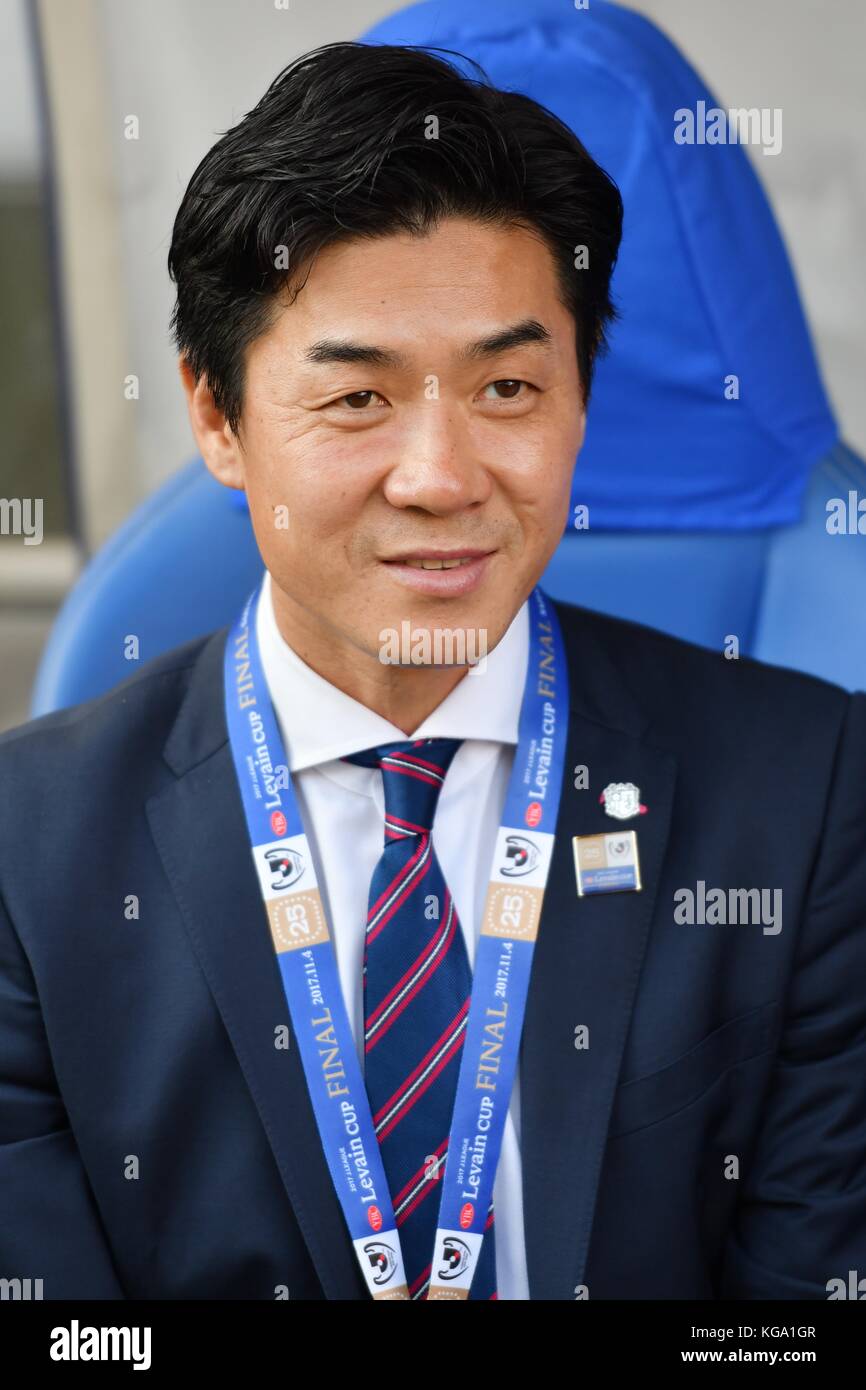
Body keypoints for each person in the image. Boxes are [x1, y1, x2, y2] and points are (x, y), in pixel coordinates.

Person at [1, 41, 864, 1301]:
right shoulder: (26, 850)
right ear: (215, 416)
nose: (443, 476)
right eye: (356, 401)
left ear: (579, 403)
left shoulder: (800, 792)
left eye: (507, 385)